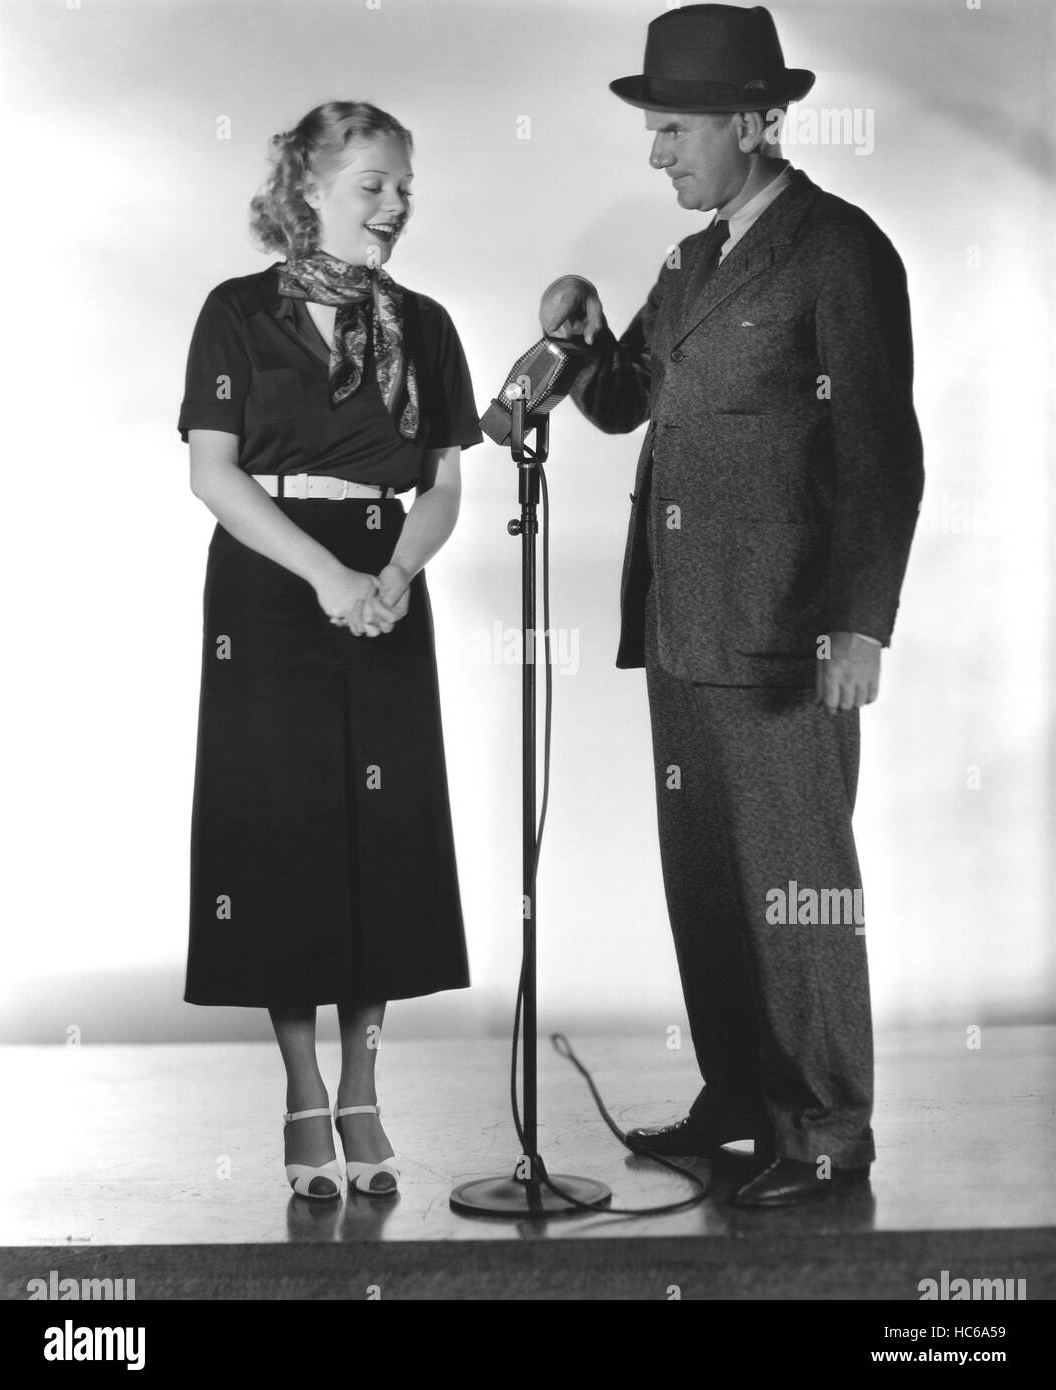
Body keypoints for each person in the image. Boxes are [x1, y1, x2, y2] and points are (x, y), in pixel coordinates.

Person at [540, 5, 923, 1206]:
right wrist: (585, 335)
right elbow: (627, 401)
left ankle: (827, 1132)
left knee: (796, 895)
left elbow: (882, 451)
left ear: (756, 123)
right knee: (706, 884)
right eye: (655, 129)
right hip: (684, 629)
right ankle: (742, 1097)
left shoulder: (840, 251)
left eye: (676, 129)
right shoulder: (689, 263)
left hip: (786, 640)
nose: (656, 152)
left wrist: (860, 621)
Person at [178, 101, 482, 1200]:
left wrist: (395, 573)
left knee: (379, 839)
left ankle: (362, 1085)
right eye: (372, 185)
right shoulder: (237, 312)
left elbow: (443, 482)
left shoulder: (427, 326)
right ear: (307, 188)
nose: (395, 205)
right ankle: (303, 1088)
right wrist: (330, 578)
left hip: (388, 587)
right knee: (285, 834)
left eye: (404, 186)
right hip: (271, 587)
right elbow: (214, 473)